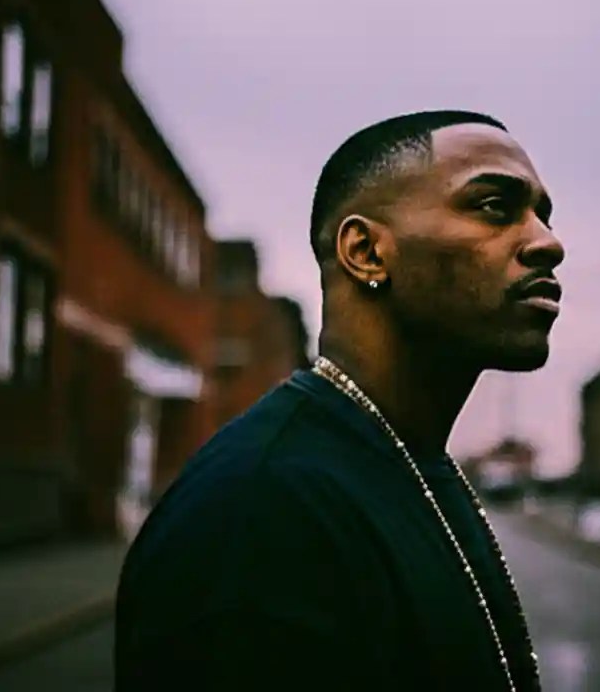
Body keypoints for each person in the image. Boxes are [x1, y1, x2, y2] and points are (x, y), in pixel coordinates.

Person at [114, 110, 565, 691]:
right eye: (494, 207)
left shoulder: (411, 463)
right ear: (367, 251)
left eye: (543, 216)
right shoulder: (258, 514)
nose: (548, 244)